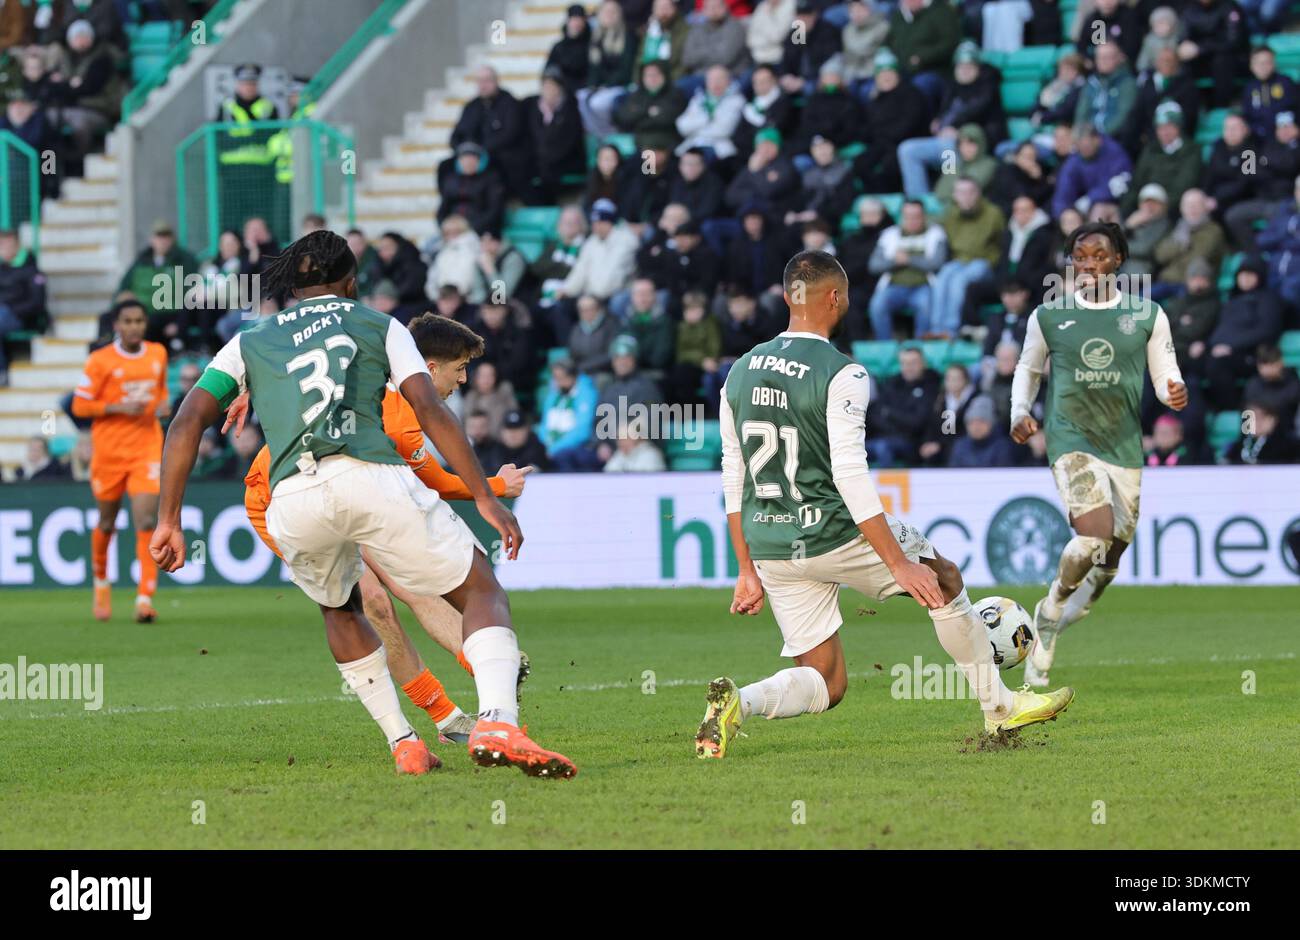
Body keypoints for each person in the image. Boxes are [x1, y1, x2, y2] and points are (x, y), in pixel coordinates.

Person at [152, 231, 575, 778]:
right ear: (352, 283)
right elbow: (430, 409)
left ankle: (405, 743)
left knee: (343, 608)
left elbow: (185, 421)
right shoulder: (380, 324)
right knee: (478, 587)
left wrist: (169, 520)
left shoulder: (249, 340)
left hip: (293, 496)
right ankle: (497, 719)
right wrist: (487, 499)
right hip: (368, 474)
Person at [697, 250, 1075, 759]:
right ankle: (1002, 709)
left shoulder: (739, 371)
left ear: (789, 297)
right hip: (832, 530)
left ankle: (735, 704)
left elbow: (733, 471)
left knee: (827, 682)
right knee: (941, 580)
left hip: (771, 546)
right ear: (837, 299)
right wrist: (897, 564)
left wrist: (745, 568)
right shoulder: (843, 373)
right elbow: (850, 476)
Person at [231, 313, 530, 747]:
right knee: (373, 601)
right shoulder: (397, 417)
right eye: (459, 368)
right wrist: (497, 487)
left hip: (348, 498)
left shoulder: (380, 386)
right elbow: (437, 483)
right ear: (428, 369)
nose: (463, 379)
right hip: (278, 500)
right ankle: (442, 715)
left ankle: (481, 668)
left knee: (417, 586)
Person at [1010, 221, 1188, 689]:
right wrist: (1018, 411)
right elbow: (1028, 368)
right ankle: (1049, 610)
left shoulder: (1147, 313)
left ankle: (1068, 610)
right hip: (1070, 437)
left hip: (1123, 444)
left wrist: (1174, 391)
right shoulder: (1049, 316)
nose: (1088, 263)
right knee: (1092, 537)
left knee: (1110, 559)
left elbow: (1164, 371)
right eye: (1080, 256)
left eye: (1098, 255)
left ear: (1118, 261)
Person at [70, 300, 171, 623]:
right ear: (116, 325)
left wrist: (163, 405)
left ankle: (145, 598)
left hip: (146, 447)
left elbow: (160, 395)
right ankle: (101, 582)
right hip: (110, 452)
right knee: (106, 522)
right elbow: (79, 407)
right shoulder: (100, 361)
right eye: (127, 321)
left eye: (139, 321)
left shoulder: (157, 353)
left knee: (145, 521)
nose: (134, 327)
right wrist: (116, 408)